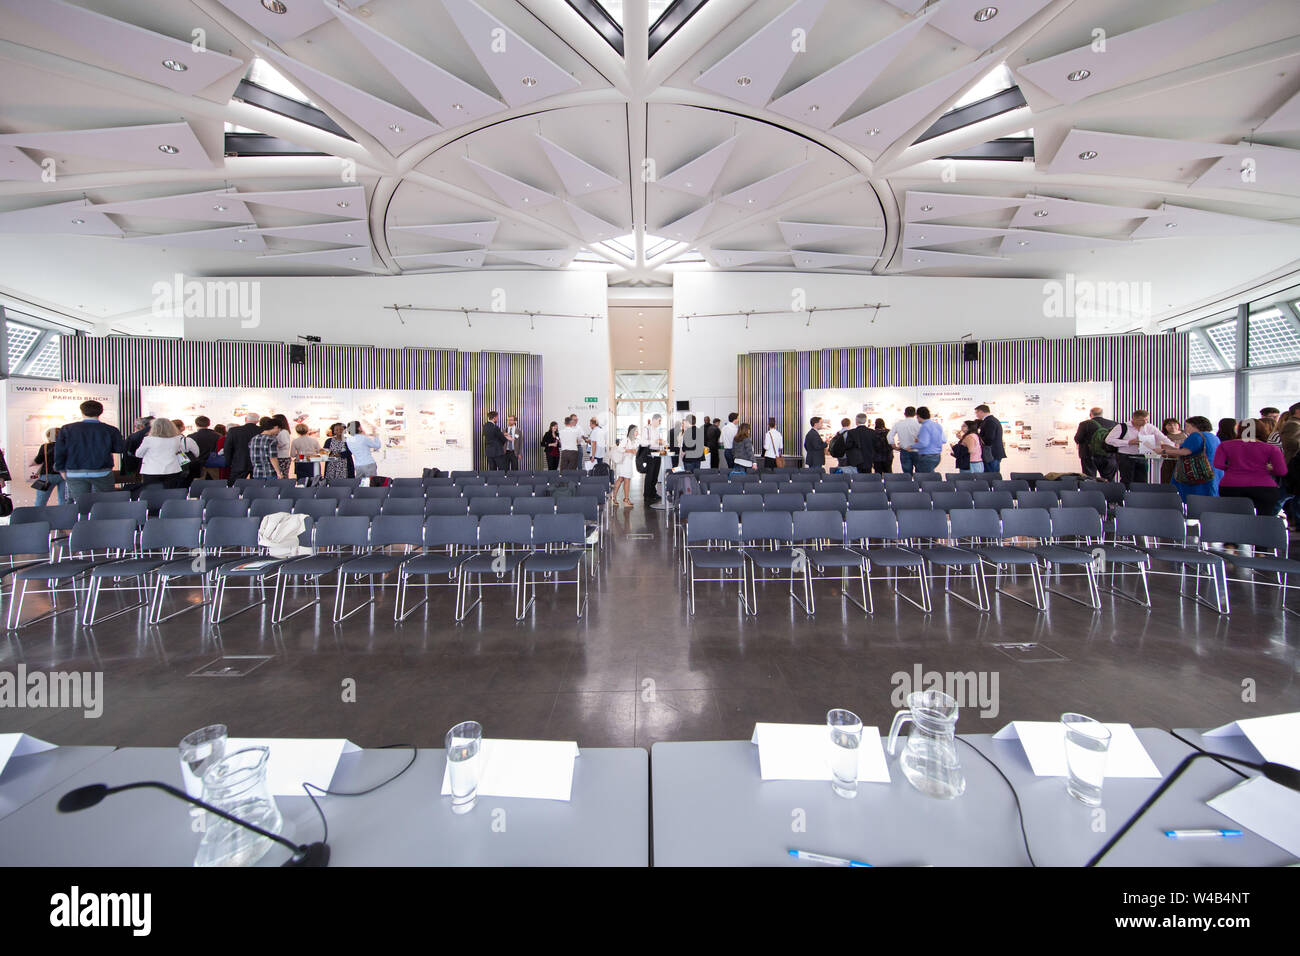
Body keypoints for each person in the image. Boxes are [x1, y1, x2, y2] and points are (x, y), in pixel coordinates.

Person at [54, 399, 126, 499]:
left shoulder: (67, 429)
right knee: (106, 501)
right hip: (102, 471)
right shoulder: (111, 430)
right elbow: (119, 448)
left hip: (75, 472)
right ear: (101, 412)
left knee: (80, 503)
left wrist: (61, 469)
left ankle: (83, 515)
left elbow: (60, 451)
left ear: (82, 411)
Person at [1214, 418, 1287, 515]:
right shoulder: (1271, 448)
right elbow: (1281, 471)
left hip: (1231, 485)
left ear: (1239, 429)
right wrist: (1268, 468)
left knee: (1234, 518)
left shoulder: (1224, 445)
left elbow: (1218, 464)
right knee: (1265, 519)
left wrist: (1233, 468)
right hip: (1263, 487)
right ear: (1261, 430)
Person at [1106, 409, 1175, 486]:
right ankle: (1126, 496)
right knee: (1127, 480)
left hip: (1142, 456)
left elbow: (1163, 438)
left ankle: (1141, 496)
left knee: (1142, 480)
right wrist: (1128, 442)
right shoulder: (1122, 427)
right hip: (1125, 456)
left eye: (1147, 420)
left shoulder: (1149, 427)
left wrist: (1174, 447)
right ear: (1134, 419)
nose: (1145, 422)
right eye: (1142, 420)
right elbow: (1108, 440)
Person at [1161, 416, 1221, 502]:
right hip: (1211, 471)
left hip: (1196, 473)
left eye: (1188, 426)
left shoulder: (1195, 436)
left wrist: (1164, 451)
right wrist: (1171, 448)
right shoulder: (1214, 437)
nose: (1186, 429)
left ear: (1195, 426)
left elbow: (1186, 452)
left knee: (1195, 499)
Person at [138, 417, 198, 488]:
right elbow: (180, 453)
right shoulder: (177, 439)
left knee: (152, 494)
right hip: (172, 469)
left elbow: (138, 454)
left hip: (152, 470)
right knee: (170, 492)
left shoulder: (148, 440)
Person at [1074, 407, 1116, 480]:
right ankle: (1108, 491)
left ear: (1090, 414)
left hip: (1089, 455)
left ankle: (1091, 491)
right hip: (1109, 455)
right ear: (1102, 414)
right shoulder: (1113, 423)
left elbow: (1077, 438)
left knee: (1089, 479)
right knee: (1108, 480)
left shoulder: (1084, 424)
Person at [32, 427, 66, 506]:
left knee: (41, 500)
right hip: (63, 475)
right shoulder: (66, 446)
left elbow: (38, 460)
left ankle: (38, 517)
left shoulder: (45, 446)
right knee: (63, 501)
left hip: (47, 475)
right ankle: (64, 517)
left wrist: (31, 463)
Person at [224, 413, 260, 480]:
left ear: (245, 419)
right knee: (257, 486)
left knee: (234, 486)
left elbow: (227, 449)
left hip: (238, 462)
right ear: (258, 421)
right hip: (257, 463)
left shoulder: (234, 431)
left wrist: (229, 462)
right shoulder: (262, 430)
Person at [910, 407, 944, 474]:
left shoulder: (925, 426)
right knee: (929, 477)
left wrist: (911, 446)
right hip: (937, 456)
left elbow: (923, 443)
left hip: (927, 457)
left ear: (918, 416)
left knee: (924, 478)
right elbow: (944, 440)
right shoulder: (937, 425)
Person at [973, 404, 1005, 475]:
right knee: (993, 474)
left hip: (991, 453)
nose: (976, 415)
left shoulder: (989, 421)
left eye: (976, 413)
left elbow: (989, 438)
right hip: (993, 453)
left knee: (990, 475)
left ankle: (992, 486)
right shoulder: (991, 420)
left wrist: (977, 439)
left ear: (981, 411)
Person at [888, 407, 920, 474]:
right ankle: (919, 484)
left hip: (904, 450)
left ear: (904, 414)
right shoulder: (919, 424)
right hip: (918, 451)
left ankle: (908, 484)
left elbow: (889, 436)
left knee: (907, 474)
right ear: (915, 414)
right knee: (920, 473)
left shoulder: (899, 424)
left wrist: (894, 446)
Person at [119, 416, 151, 482]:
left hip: (137, 467)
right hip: (153, 468)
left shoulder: (133, 437)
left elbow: (128, 453)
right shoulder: (160, 436)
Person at [612, 425, 637, 506]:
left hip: (628, 462)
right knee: (626, 480)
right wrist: (630, 450)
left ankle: (615, 497)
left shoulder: (633, 440)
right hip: (624, 462)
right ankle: (626, 499)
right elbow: (619, 448)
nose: (637, 432)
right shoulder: (626, 439)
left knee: (621, 479)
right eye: (636, 431)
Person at [640, 413, 664, 502]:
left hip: (658, 452)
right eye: (659, 420)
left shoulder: (657, 430)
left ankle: (653, 492)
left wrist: (661, 442)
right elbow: (643, 442)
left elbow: (658, 441)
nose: (660, 422)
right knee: (650, 474)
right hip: (650, 453)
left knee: (655, 474)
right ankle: (647, 494)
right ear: (654, 420)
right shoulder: (646, 429)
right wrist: (655, 441)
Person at [1158, 418, 1185, 483]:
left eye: (1175, 424)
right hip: (1169, 462)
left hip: (1183, 462)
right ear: (1165, 427)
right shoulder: (1163, 437)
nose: (1172, 426)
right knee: (1167, 481)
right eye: (1169, 425)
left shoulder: (1186, 435)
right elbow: (1161, 450)